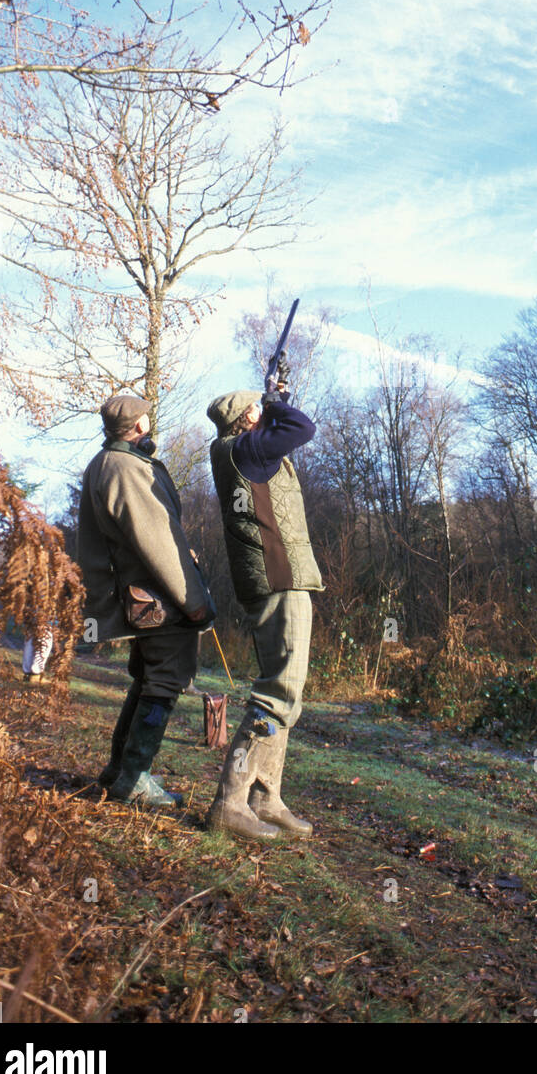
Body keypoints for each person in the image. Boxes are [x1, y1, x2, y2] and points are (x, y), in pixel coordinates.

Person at [205, 358, 323, 842]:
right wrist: (278, 402)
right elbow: (301, 427)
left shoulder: (240, 449)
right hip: (280, 577)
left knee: (284, 689)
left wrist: (274, 399)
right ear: (247, 420)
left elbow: (287, 427)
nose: (263, 411)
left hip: (277, 577)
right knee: (278, 692)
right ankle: (231, 802)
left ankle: (265, 797)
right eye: (256, 408)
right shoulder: (249, 449)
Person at [77, 394, 211, 807]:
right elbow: (157, 540)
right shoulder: (127, 468)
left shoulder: (101, 464)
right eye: (147, 420)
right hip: (158, 597)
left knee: (148, 679)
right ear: (139, 426)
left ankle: (120, 771)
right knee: (165, 682)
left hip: (137, 596)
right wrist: (193, 599)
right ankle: (133, 779)